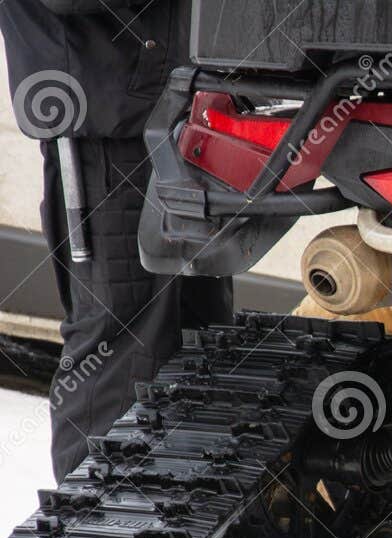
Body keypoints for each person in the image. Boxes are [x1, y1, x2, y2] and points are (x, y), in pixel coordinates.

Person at [0, 0, 232, 481]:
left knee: (199, 343)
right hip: (111, 125)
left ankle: (180, 516)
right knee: (120, 352)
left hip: (181, 115)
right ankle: (90, 524)